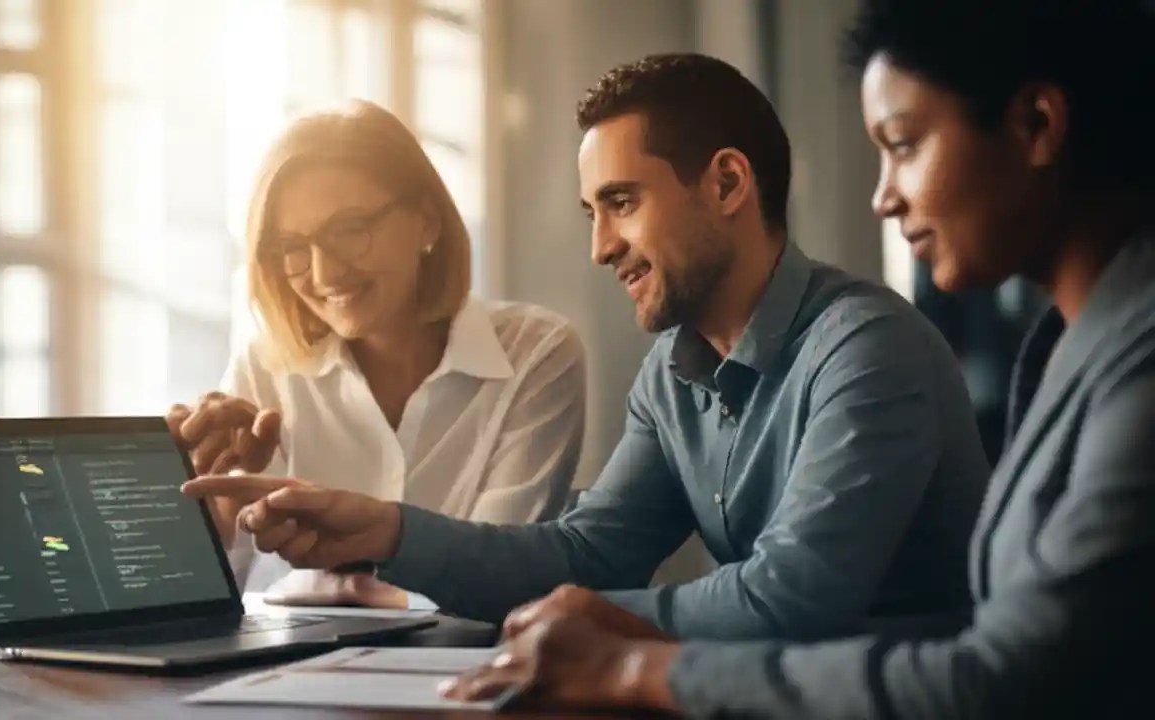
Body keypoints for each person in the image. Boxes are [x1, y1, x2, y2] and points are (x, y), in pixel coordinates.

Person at [436, 0, 1155, 716]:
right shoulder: (1068, 345)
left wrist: (630, 666)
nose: (882, 198)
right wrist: (386, 534)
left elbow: (1005, 677)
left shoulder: (1110, 352)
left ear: (1036, 126)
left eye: (902, 144)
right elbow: (589, 550)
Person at [183, 54, 991, 641]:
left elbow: (794, 596)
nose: (601, 247)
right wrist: (386, 531)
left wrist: (586, 616)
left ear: (727, 184)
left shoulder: (868, 348)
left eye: (622, 203)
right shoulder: (674, 374)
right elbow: (587, 552)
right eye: (590, 213)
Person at [168, 100, 586, 608]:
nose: (324, 274)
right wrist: (217, 508)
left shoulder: (535, 353)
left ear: (426, 222)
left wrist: (332, 586)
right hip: (291, 676)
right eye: (293, 245)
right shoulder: (265, 367)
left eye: (350, 230)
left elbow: (499, 579)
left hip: (463, 674)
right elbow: (208, 604)